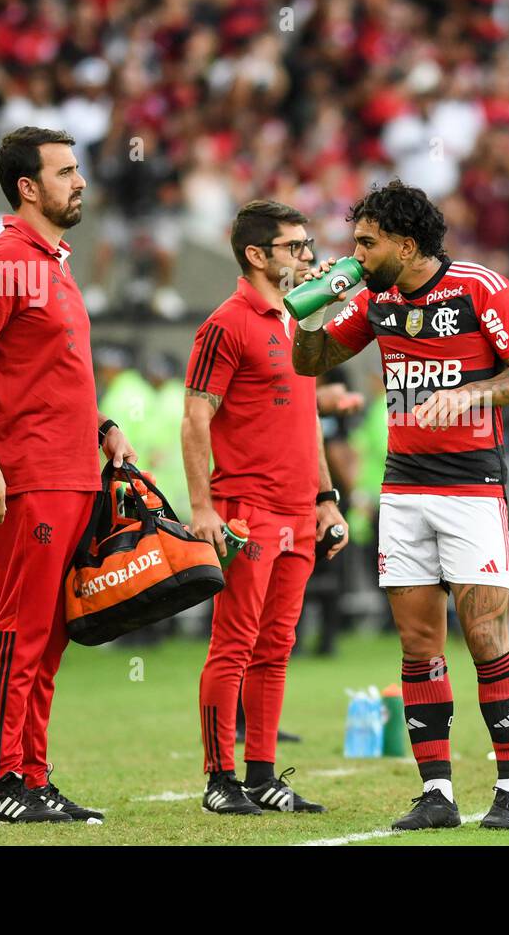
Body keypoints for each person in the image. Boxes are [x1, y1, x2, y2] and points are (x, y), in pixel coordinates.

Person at [293, 179, 509, 831]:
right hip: (403, 489)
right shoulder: (376, 298)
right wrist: (315, 304)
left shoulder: (478, 288)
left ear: (406, 244)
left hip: (471, 487)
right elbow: (309, 361)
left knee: (485, 636)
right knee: (417, 642)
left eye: (366, 241)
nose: (356, 251)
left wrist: (474, 395)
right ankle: (437, 793)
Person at [0, 126, 138, 824]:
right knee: (20, 632)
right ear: (28, 187)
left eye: (79, 169)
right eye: (65, 171)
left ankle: (32, 773)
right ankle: (1, 783)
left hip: (71, 467)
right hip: (27, 476)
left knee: (52, 635)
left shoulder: (49, 261)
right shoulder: (4, 259)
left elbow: (43, 377)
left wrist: (101, 429)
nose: (80, 181)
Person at [184, 200, 348, 816]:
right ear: (257, 255)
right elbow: (195, 416)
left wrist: (326, 499)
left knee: (276, 645)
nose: (307, 256)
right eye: (295, 246)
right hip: (245, 508)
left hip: (299, 511)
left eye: (307, 245)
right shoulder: (226, 323)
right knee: (234, 643)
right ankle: (218, 777)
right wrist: (204, 507)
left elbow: (306, 419)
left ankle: (259, 773)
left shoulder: (296, 320)